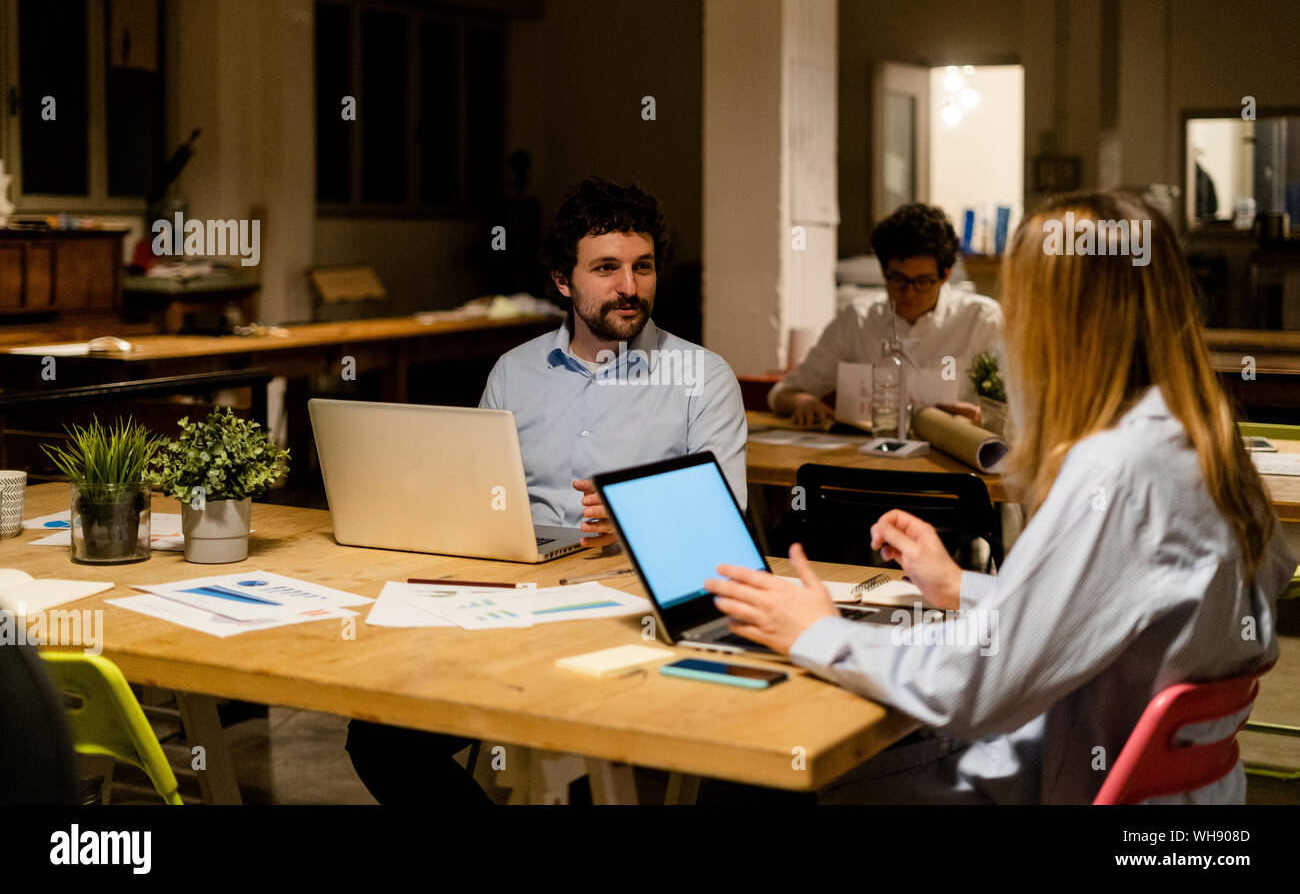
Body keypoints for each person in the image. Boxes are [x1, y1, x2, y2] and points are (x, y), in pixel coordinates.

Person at [708, 191, 1295, 803]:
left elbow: (974, 690)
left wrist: (817, 632)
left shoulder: (1113, 470)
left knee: (765, 778)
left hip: (1063, 779)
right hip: (1184, 793)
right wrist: (963, 587)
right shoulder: (1204, 438)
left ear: (1061, 321)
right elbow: (1127, 601)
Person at [346, 176, 747, 804]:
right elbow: (470, 496)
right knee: (378, 738)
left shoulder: (703, 376)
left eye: (643, 267)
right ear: (564, 280)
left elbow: (729, 525)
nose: (630, 287)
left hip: (628, 619)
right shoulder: (515, 370)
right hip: (514, 611)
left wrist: (638, 522)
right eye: (607, 268)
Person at [768, 203, 1003, 426]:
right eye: (898, 279)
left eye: (922, 281)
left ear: (945, 274)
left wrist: (985, 419)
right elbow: (783, 392)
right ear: (883, 271)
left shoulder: (981, 319)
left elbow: (1016, 411)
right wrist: (803, 401)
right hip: (865, 460)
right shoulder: (858, 320)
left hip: (949, 460)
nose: (909, 293)